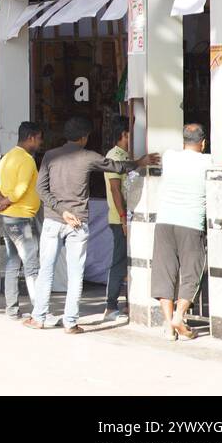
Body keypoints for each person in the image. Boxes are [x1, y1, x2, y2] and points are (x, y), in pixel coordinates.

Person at [24, 115, 158, 334]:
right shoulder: (88, 157)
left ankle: (38, 317)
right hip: (78, 222)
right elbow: (116, 166)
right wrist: (140, 162)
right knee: (76, 274)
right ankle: (70, 322)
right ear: (84, 138)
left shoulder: (49, 156)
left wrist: (61, 210)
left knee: (45, 270)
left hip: (53, 220)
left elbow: (41, 190)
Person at [153, 123, 211, 341]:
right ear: (203, 143)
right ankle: (179, 316)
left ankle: (168, 326)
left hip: (164, 222)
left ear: (183, 141)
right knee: (191, 272)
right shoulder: (208, 161)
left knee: (165, 272)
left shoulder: (169, 156)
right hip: (191, 223)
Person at [0, 121, 43, 320]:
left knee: (13, 262)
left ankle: (12, 309)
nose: (40, 142)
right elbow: (19, 192)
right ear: (31, 138)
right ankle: (39, 311)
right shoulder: (27, 160)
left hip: (6, 218)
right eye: (39, 138)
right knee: (31, 265)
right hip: (22, 219)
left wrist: (1, 203)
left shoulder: (6, 158)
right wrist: (6, 203)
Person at [102, 116, 135, 323]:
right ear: (124, 134)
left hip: (125, 217)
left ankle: (125, 303)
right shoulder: (114, 156)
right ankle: (110, 305)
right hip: (119, 218)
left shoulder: (125, 155)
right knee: (119, 262)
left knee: (126, 261)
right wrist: (123, 218)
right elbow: (115, 189)